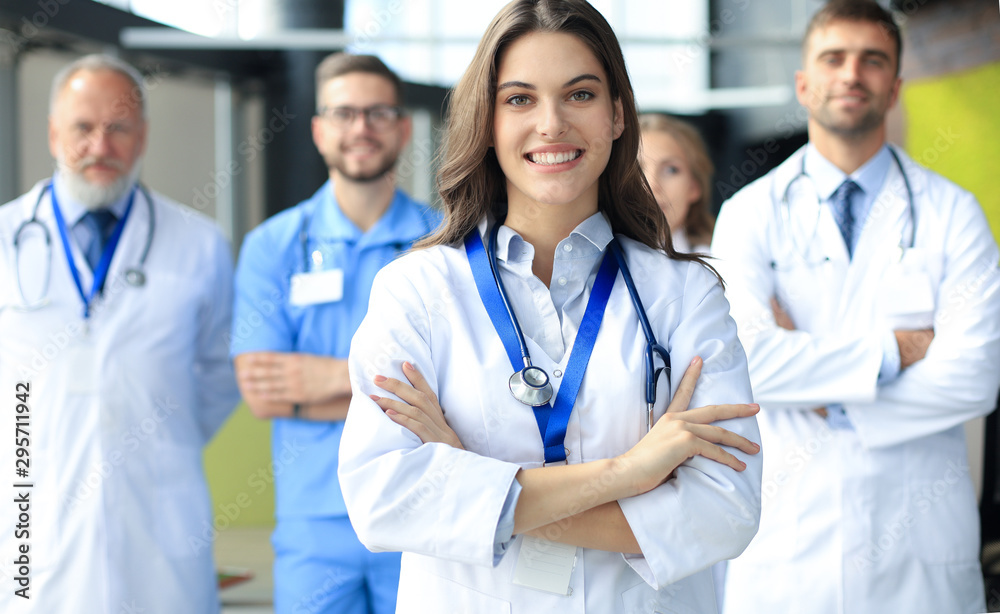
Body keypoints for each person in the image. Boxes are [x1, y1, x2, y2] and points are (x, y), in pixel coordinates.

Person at [337, 1, 763, 612]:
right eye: (520, 99)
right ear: (486, 121)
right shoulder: (417, 291)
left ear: (617, 115)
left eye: (580, 94)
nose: (552, 123)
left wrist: (472, 481)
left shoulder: (685, 295)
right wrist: (628, 475)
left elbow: (726, 511)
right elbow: (384, 500)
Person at [711, 2, 1000, 613]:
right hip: (793, 549)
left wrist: (825, 397)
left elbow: (975, 377)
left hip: (919, 551)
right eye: (833, 59)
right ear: (803, 84)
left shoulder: (953, 213)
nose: (851, 75)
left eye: (872, 61)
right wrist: (895, 351)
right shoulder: (750, 214)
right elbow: (748, 366)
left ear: (895, 87)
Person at [0, 54, 239, 613]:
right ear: (55, 133)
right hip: (30, 503)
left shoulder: (199, 244)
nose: (100, 145)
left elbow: (219, 371)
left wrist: (152, 428)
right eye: (83, 127)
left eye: (118, 127)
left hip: (157, 502)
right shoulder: (4, 237)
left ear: (143, 136)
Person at [230, 52, 440, 614]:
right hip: (315, 519)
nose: (361, 128)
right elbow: (261, 391)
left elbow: (456, 386)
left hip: (419, 500)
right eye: (344, 114)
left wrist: (319, 381)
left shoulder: (443, 245)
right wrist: (396, 395)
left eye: (377, 113)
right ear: (320, 131)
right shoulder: (274, 246)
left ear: (403, 128)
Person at [638, 113, 715, 253]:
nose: (652, 185)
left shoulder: (722, 264)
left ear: (694, 186)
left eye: (671, 170)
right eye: (635, 170)